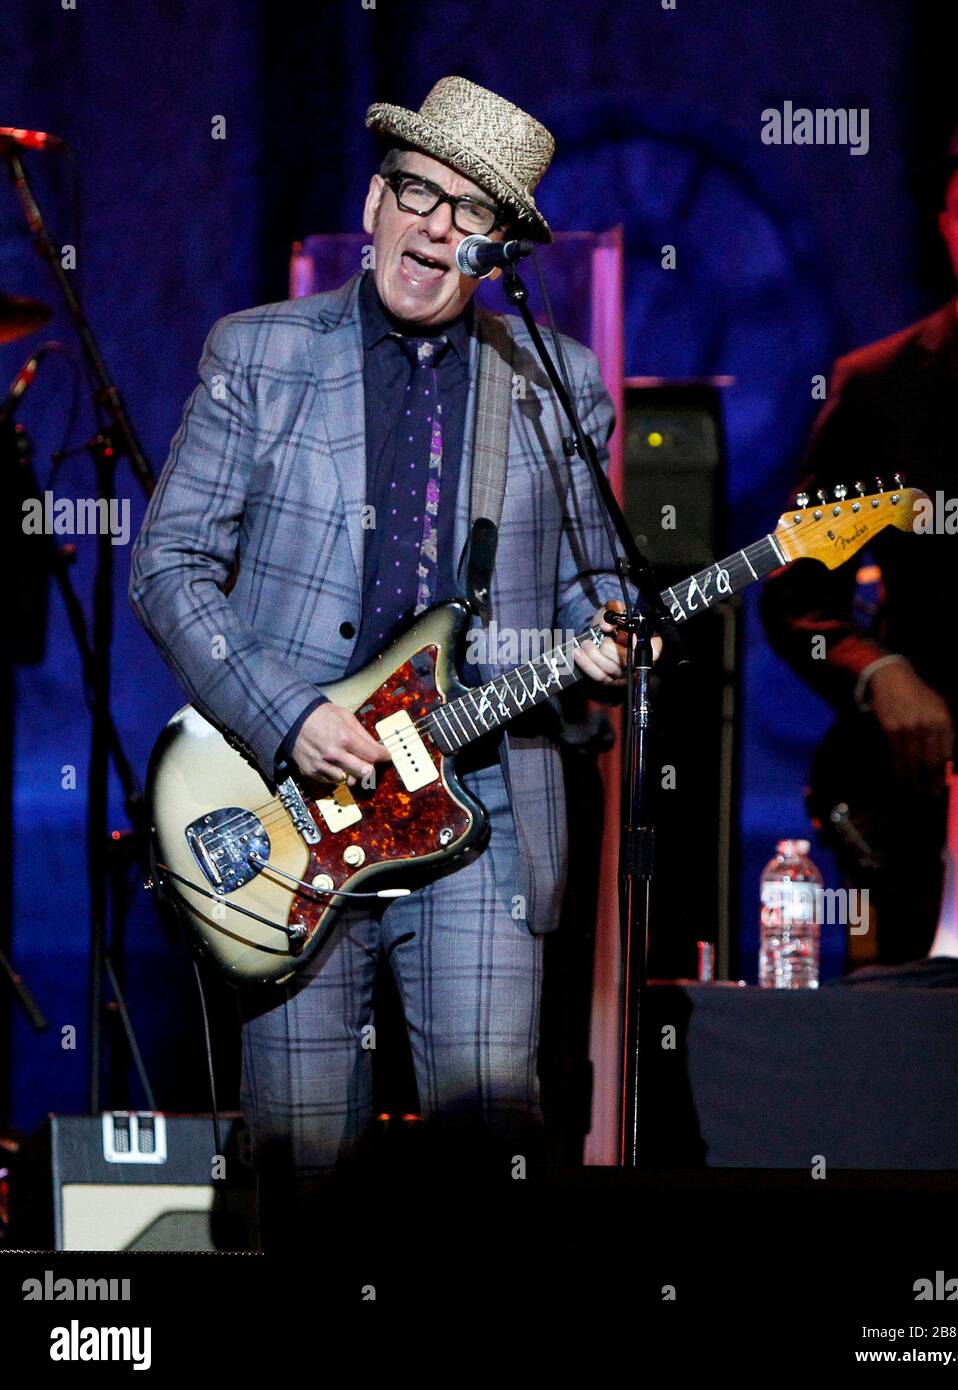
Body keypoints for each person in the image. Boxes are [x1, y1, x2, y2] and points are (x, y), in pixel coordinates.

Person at [130, 76, 651, 1246]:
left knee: (489, 1129)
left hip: (482, 802)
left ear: (498, 247)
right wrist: (289, 714)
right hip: (292, 798)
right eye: (417, 193)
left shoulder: (552, 381)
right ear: (373, 200)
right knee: (303, 1152)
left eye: (471, 214)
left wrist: (610, 629)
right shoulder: (262, 354)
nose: (435, 227)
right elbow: (165, 567)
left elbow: (591, 580)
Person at [760, 95, 958, 965]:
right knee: (927, 1067)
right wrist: (879, 670)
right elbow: (797, 595)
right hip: (932, 811)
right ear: (942, 227)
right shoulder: (881, 388)